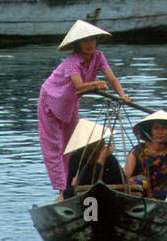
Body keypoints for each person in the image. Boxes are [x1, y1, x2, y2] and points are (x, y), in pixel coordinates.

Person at [38, 20, 130, 200]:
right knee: (53, 146)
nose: (89, 44)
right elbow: (79, 86)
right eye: (85, 41)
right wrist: (95, 84)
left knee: (72, 146)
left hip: (69, 103)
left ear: (97, 41)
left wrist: (122, 94)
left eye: (92, 40)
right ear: (77, 44)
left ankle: (72, 184)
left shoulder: (99, 56)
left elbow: (111, 77)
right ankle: (62, 190)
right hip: (50, 99)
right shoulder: (73, 61)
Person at [62, 119, 125, 198]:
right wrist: (99, 162)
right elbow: (70, 192)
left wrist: (102, 159)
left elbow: (122, 183)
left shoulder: (109, 159)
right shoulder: (76, 159)